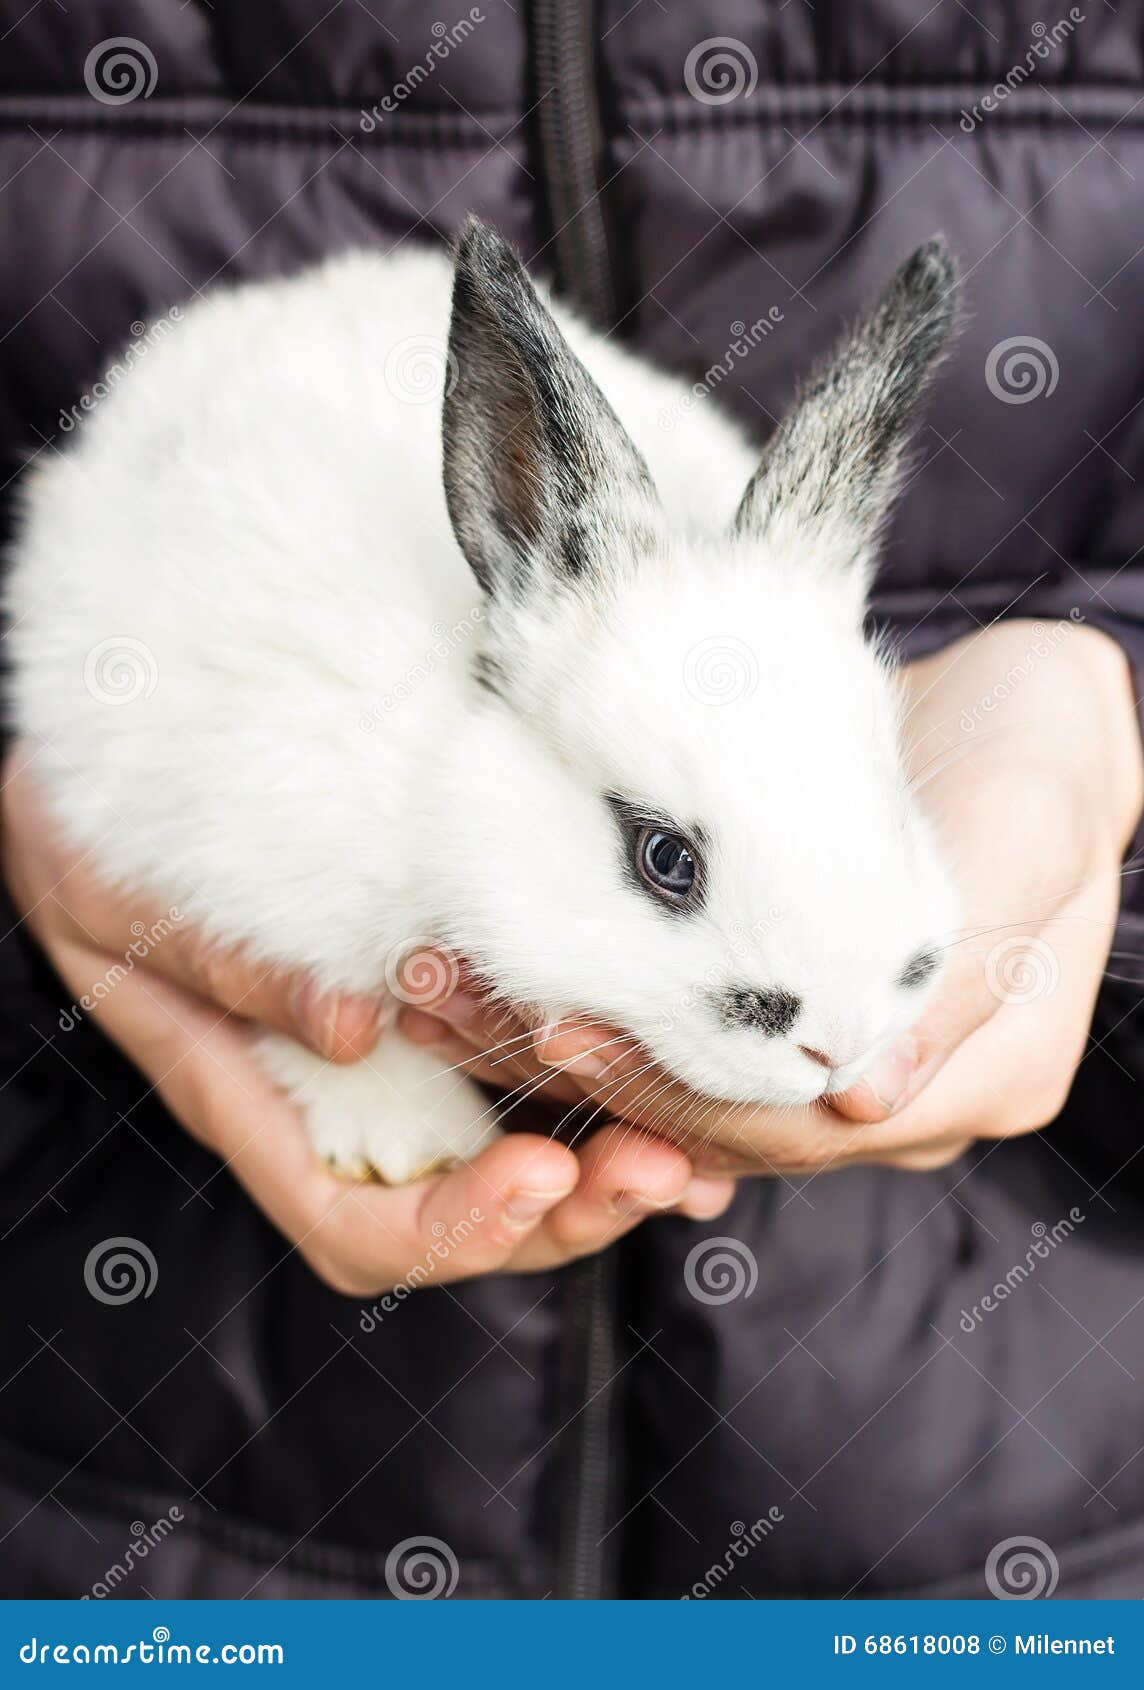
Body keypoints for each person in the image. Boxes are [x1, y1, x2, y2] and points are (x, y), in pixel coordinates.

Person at [2, 1, 1144, 1600]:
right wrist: (57, 877)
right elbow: (89, 602)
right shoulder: (331, 752)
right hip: (173, 1469)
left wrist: (1107, 712)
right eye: (667, 859)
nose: (830, 1035)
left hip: (979, 1496)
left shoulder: (760, 587)